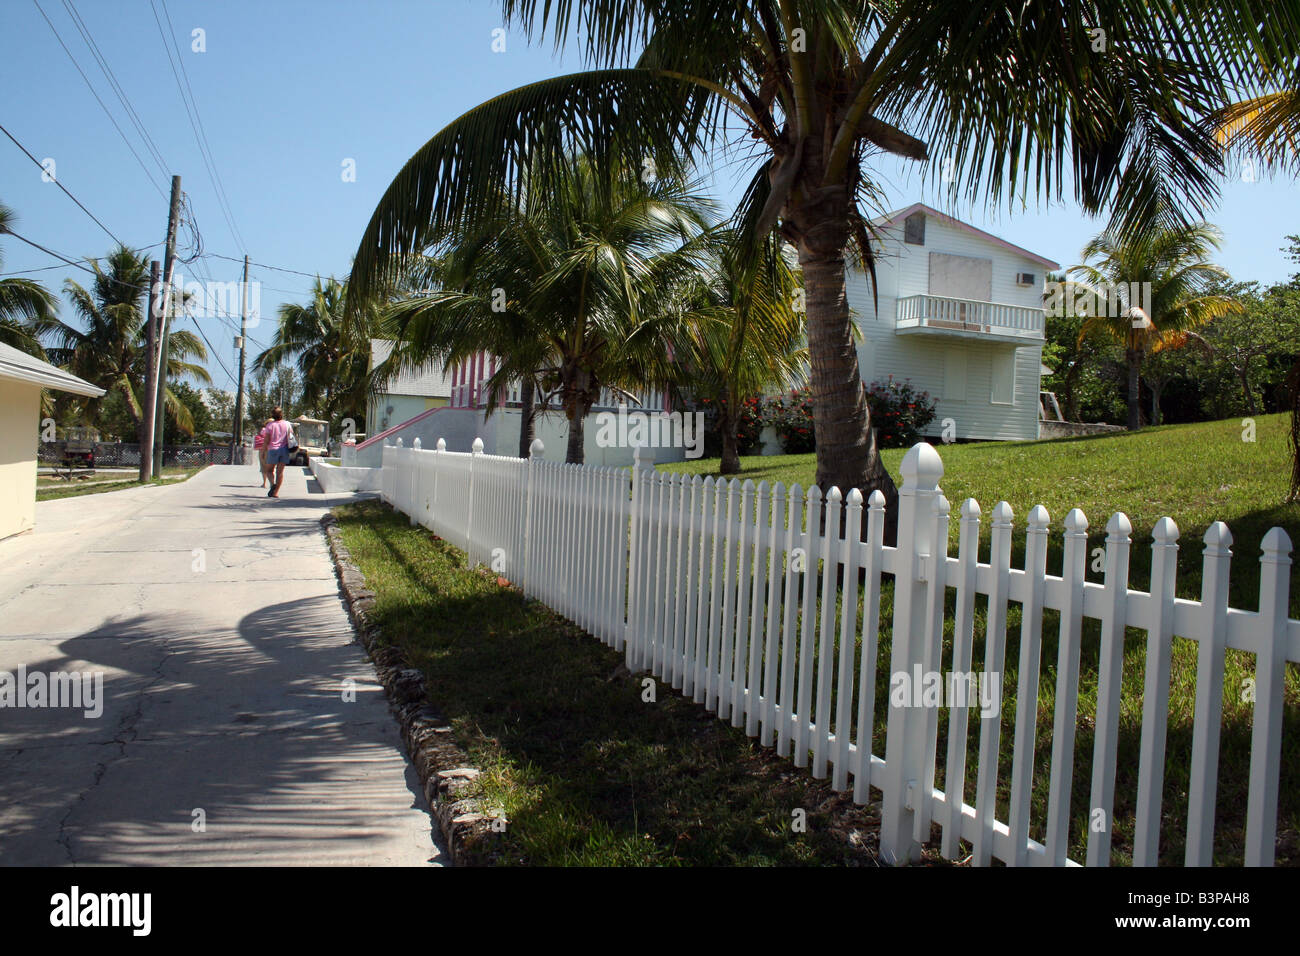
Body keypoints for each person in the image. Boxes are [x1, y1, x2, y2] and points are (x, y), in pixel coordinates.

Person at [258, 408, 293, 498]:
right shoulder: (287, 424)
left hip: (272, 450)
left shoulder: (270, 425)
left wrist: (263, 451)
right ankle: (276, 492)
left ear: (272, 415)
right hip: (284, 450)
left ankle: (273, 484)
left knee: (269, 470)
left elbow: (266, 440)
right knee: (280, 472)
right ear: (282, 414)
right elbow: (291, 436)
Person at [253, 419, 271, 488]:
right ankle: (271, 483)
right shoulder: (275, 431)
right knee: (270, 466)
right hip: (270, 450)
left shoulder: (264, 430)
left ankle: (264, 483)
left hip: (262, 450)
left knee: (263, 466)